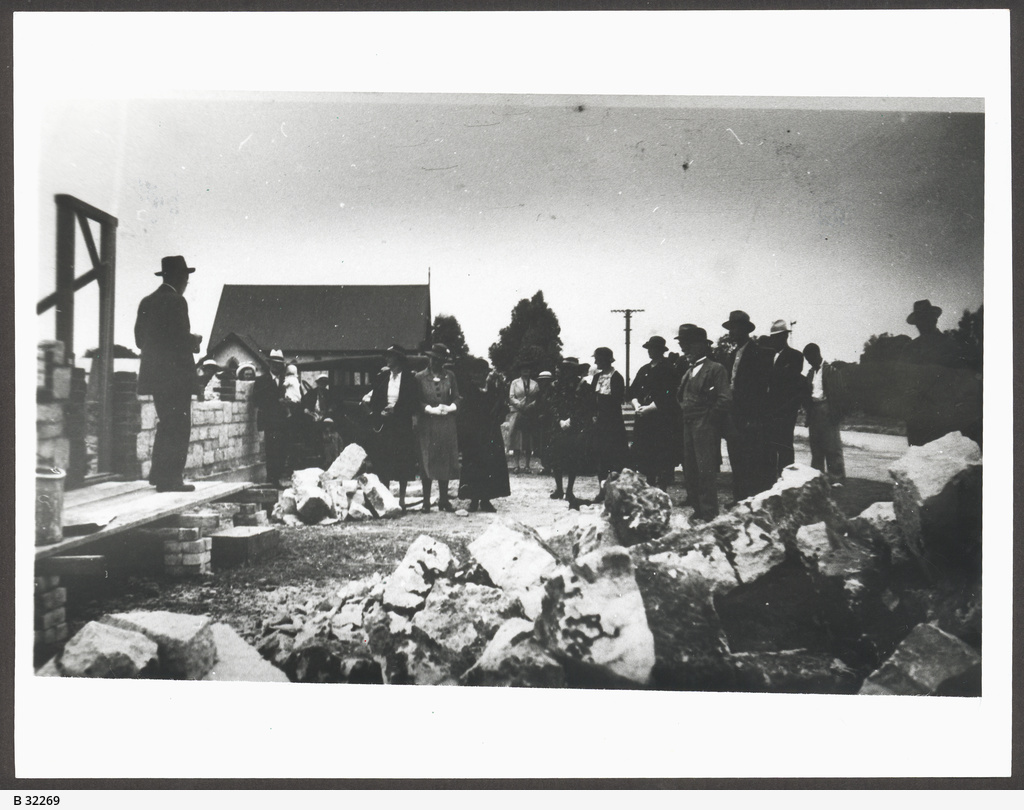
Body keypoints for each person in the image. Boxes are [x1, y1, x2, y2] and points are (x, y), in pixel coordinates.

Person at [134, 255, 202, 492]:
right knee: (179, 426)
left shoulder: (147, 302)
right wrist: (194, 341)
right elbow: (180, 340)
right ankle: (171, 479)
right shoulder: (177, 302)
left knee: (167, 423)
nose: (186, 283)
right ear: (179, 277)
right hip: (177, 378)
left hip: (155, 379)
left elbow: (139, 340)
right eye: (185, 278)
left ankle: (159, 475)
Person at [899, 299, 979, 446]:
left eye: (926, 319)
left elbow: (962, 380)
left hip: (945, 416)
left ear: (934, 319)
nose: (922, 324)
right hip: (918, 418)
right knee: (918, 461)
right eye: (919, 320)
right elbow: (903, 381)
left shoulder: (951, 345)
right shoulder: (909, 349)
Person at [675, 324, 731, 522]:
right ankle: (698, 509)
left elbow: (724, 398)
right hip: (688, 424)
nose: (683, 349)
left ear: (700, 345)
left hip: (704, 425)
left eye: (687, 345)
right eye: (682, 344)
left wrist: (708, 420)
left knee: (705, 469)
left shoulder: (715, 369)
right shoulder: (688, 370)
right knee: (689, 469)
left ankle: (708, 512)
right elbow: (680, 397)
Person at [721, 310, 773, 500]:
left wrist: (755, 417)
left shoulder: (757, 353)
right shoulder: (731, 354)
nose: (731, 332)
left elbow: (760, 389)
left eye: (734, 328)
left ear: (745, 329)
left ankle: (753, 501)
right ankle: (739, 499)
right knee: (736, 458)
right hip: (733, 415)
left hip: (750, 416)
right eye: (730, 328)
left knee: (752, 459)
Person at [366, 345, 421, 510]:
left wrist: (396, 410)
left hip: (401, 423)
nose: (387, 359)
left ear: (398, 359)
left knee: (403, 459)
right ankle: (386, 497)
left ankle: (402, 499)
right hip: (385, 423)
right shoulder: (383, 377)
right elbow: (375, 399)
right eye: (387, 356)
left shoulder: (410, 379)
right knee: (384, 459)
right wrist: (380, 412)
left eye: (390, 356)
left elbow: (412, 401)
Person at [457, 357, 511, 512]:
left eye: (480, 373)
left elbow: (503, 411)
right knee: (474, 466)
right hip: (473, 435)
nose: (477, 377)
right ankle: (473, 499)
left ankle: (486, 499)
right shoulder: (469, 391)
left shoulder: (494, 391)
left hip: (491, 434)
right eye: (474, 374)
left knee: (490, 466)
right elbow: (464, 414)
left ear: (485, 374)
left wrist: (498, 416)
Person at [628, 335, 681, 490]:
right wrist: (637, 404)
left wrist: (652, 407)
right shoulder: (644, 369)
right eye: (649, 348)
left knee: (661, 452)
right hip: (643, 418)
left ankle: (662, 487)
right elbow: (633, 391)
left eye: (654, 348)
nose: (651, 351)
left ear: (661, 350)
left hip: (661, 417)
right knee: (645, 452)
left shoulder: (669, 368)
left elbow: (671, 393)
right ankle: (649, 484)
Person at [415, 343, 461, 512]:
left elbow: (457, 397)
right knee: (427, 459)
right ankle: (426, 501)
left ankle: (443, 500)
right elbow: (416, 400)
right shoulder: (419, 377)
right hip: (427, 424)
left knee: (444, 459)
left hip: (445, 423)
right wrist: (429, 409)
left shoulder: (450, 376)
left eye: (439, 360)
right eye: (433, 358)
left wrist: (450, 407)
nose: (435, 362)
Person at [764, 319, 805, 478]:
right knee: (770, 447)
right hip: (770, 410)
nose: (772, 341)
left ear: (783, 337)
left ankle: (787, 481)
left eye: (775, 338)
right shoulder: (769, 357)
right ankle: (772, 481)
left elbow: (790, 381)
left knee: (785, 446)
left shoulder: (795, 356)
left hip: (786, 409)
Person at [588, 346, 629, 503]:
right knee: (601, 459)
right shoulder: (596, 377)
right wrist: (593, 413)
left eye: (598, 359)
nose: (595, 362)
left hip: (613, 424)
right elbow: (591, 398)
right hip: (599, 424)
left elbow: (617, 399)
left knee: (615, 457)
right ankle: (602, 490)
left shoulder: (617, 377)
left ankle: (615, 493)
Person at [802, 343, 847, 482]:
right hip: (814, 411)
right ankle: (818, 479)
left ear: (816, 354)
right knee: (816, 448)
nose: (808, 362)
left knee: (832, 447)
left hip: (827, 409)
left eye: (809, 358)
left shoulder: (831, 371)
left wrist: (835, 415)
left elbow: (839, 395)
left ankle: (837, 478)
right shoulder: (810, 373)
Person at [253, 349, 291, 485]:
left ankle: (278, 477)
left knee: (282, 450)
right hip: (270, 420)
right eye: (274, 364)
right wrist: (276, 401)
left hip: (283, 421)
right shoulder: (262, 380)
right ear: (269, 364)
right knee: (271, 450)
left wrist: (288, 403)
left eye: (279, 364)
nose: (276, 367)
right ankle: (271, 479)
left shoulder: (286, 381)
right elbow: (257, 400)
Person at [507, 361, 540, 473]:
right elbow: (511, 397)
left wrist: (530, 406)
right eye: (523, 369)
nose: (526, 371)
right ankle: (516, 465)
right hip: (517, 412)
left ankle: (527, 465)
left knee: (528, 439)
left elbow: (537, 397)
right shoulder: (515, 383)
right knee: (517, 439)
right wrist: (520, 405)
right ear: (520, 371)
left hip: (529, 413)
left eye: (528, 369)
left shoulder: (534, 384)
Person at [534, 370, 555, 474]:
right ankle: (545, 465)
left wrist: (545, 414)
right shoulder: (539, 393)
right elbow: (537, 406)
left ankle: (551, 466)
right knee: (541, 443)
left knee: (550, 443)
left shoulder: (553, 391)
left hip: (550, 420)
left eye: (546, 380)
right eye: (542, 381)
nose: (543, 383)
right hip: (540, 421)